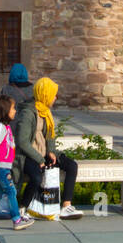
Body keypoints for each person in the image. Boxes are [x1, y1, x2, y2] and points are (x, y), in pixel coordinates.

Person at [23, 76, 82, 219]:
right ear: (45, 94)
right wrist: (39, 158)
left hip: (44, 153)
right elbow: (23, 141)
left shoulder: (46, 112)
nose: (55, 97)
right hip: (31, 155)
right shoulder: (28, 112)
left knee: (72, 166)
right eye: (53, 94)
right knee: (36, 176)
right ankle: (23, 207)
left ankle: (66, 206)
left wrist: (50, 152)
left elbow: (49, 136)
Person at [0, 94, 35, 231]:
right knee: (11, 191)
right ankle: (16, 219)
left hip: (3, 167)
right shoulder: (0, 128)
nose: (15, 111)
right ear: (4, 111)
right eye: (13, 108)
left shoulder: (6, 127)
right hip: (0, 168)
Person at [2, 63, 37, 207]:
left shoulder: (6, 89)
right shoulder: (32, 89)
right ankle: (21, 203)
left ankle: (12, 199)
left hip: (11, 132)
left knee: (13, 167)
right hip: (27, 133)